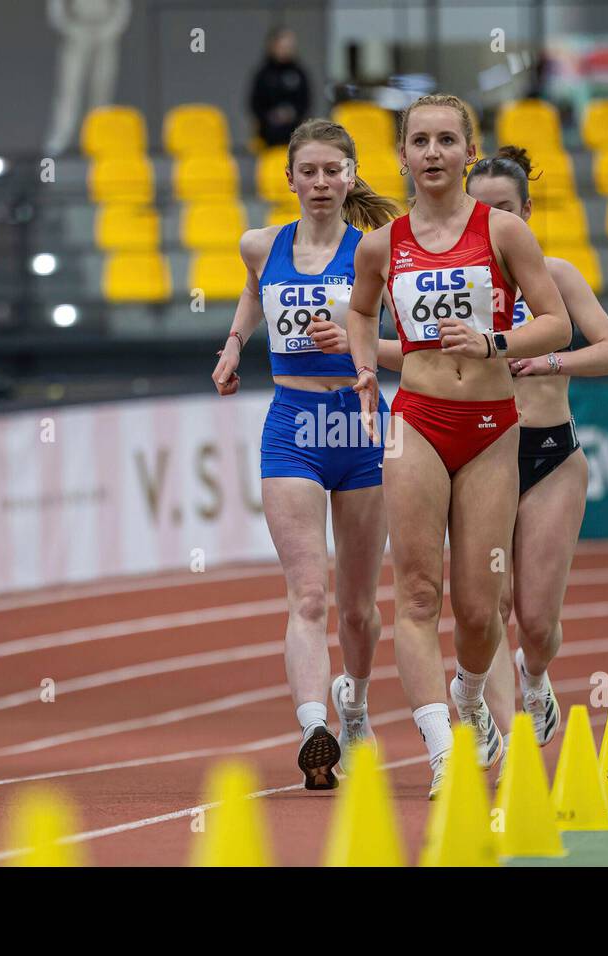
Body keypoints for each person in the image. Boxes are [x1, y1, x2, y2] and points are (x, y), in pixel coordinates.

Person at [344, 94, 573, 798]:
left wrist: (493, 342)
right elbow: (359, 311)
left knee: (480, 609)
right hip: (415, 421)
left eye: (447, 140)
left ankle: (469, 692)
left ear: (469, 152)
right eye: (420, 141)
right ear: (403, 156)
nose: (434, 152)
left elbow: (557, 323)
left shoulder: (503, 232)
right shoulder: (383, 244)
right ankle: (443, 745)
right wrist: (364, 370)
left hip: (489, 429)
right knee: (417, 593)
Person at [210, 118, 399, 789]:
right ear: (289, 179)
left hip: (360, 425)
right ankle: (314, 727)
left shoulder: (376, 252)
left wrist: (358, 350)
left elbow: (410, 344)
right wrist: (234, 344)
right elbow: (251, 292)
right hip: (293, 423)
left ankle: (356, 705)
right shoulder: (260, 245)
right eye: (309, 171)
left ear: (351, 177)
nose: (321, 182)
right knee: (309, 595)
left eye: (332, 171)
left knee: (358, 608)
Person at [461, 147, 608, 755]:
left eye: (504, 209)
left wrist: (550, 361)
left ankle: (536, 679)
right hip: (482, 451)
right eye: (480, 211)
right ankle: (498, 725)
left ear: (527, 211)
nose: (492, 222)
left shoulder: (555, 275)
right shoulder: (455, 284)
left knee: (535, 620)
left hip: (551, 454)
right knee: (490, 605)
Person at [43, 0, 133, 155]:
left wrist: (111, 28)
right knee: (70, 90)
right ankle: (60, 139)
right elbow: (56, 6)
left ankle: (98, 138)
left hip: (105, 33)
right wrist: (69, 27)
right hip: (77, 31)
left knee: (102, 91)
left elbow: (122, 6)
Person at [249, 28, 311, 148]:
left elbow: (305, 102)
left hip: (295, 133)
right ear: (273, 46)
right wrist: (271, 116)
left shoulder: (299, 73)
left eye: (289, 47)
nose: (286, 50)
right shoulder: (263, 74)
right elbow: (254, 104)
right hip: (268, 134)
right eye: (283, 46)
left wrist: (291, 113)